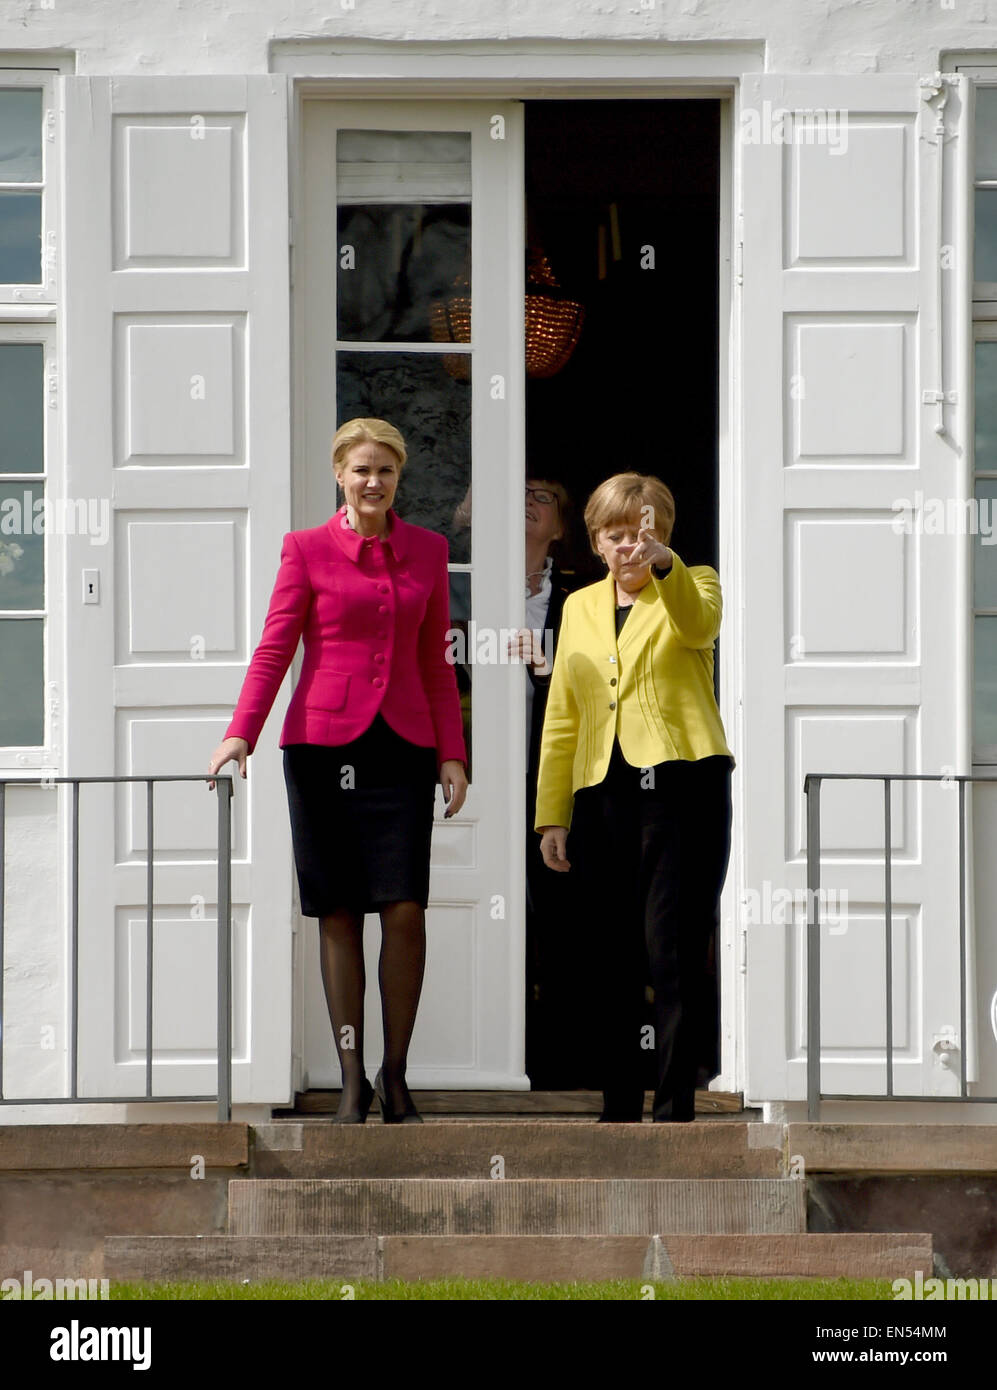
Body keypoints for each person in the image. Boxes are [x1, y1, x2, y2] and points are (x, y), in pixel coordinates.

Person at [208, 417, 468, 1124]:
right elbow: (273, 650)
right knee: (339, 912)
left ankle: (396, 1073)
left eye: (384, 469)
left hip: (403, 750)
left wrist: (452, 751)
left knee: (404, 908)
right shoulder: (305, 550)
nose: (373, 481)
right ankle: (351, 1076)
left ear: (399, 476)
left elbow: (435, 664)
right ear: (339, 475)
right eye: (360, 470)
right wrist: (241, 734)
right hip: (322, 749)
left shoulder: (428, 550)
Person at [535, 472, 734, 1122]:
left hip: (681, 789)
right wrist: (551, 815)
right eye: (614, 535)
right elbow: (563, 712)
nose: (627, 547)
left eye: (639, 534)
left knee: (670, 950)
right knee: (610, 957)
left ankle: (676, 1104)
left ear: (662, 536)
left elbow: (698, 624)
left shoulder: (692, 583)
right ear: (594, 541)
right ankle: (618, 1106)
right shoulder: (578, 608)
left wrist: (665, 565)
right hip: (602, 796)